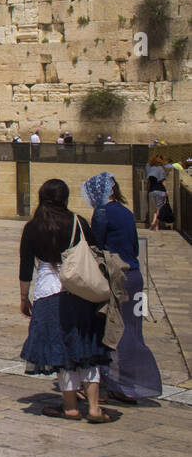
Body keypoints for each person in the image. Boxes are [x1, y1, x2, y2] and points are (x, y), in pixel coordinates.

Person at [19, 179, 114, 423]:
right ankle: (94, 408)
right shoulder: (77, 222)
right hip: (80, 291)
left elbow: (26, 267)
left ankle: (70, 407)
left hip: (48, 292)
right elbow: (95, 253)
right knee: (86, 347)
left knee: (60, 351)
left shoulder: (32, 227)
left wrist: (23, 297)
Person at [85, 172, 160, 402]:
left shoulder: (102, 213)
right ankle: (131, 383)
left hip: (118, 278)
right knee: (132, 330)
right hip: (135, 276)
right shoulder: (126, 212)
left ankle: (117, 385)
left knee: (115, 331)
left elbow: (95, 247)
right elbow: (134, 248)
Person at [146, 154, 171, 229]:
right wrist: (166, 190)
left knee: (156, 209)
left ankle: (157, 226)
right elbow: (163, 181)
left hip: (151, 191)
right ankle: (154, 222)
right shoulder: (160, 169)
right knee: (159, 208)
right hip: (160, 190)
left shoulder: (151, 169)